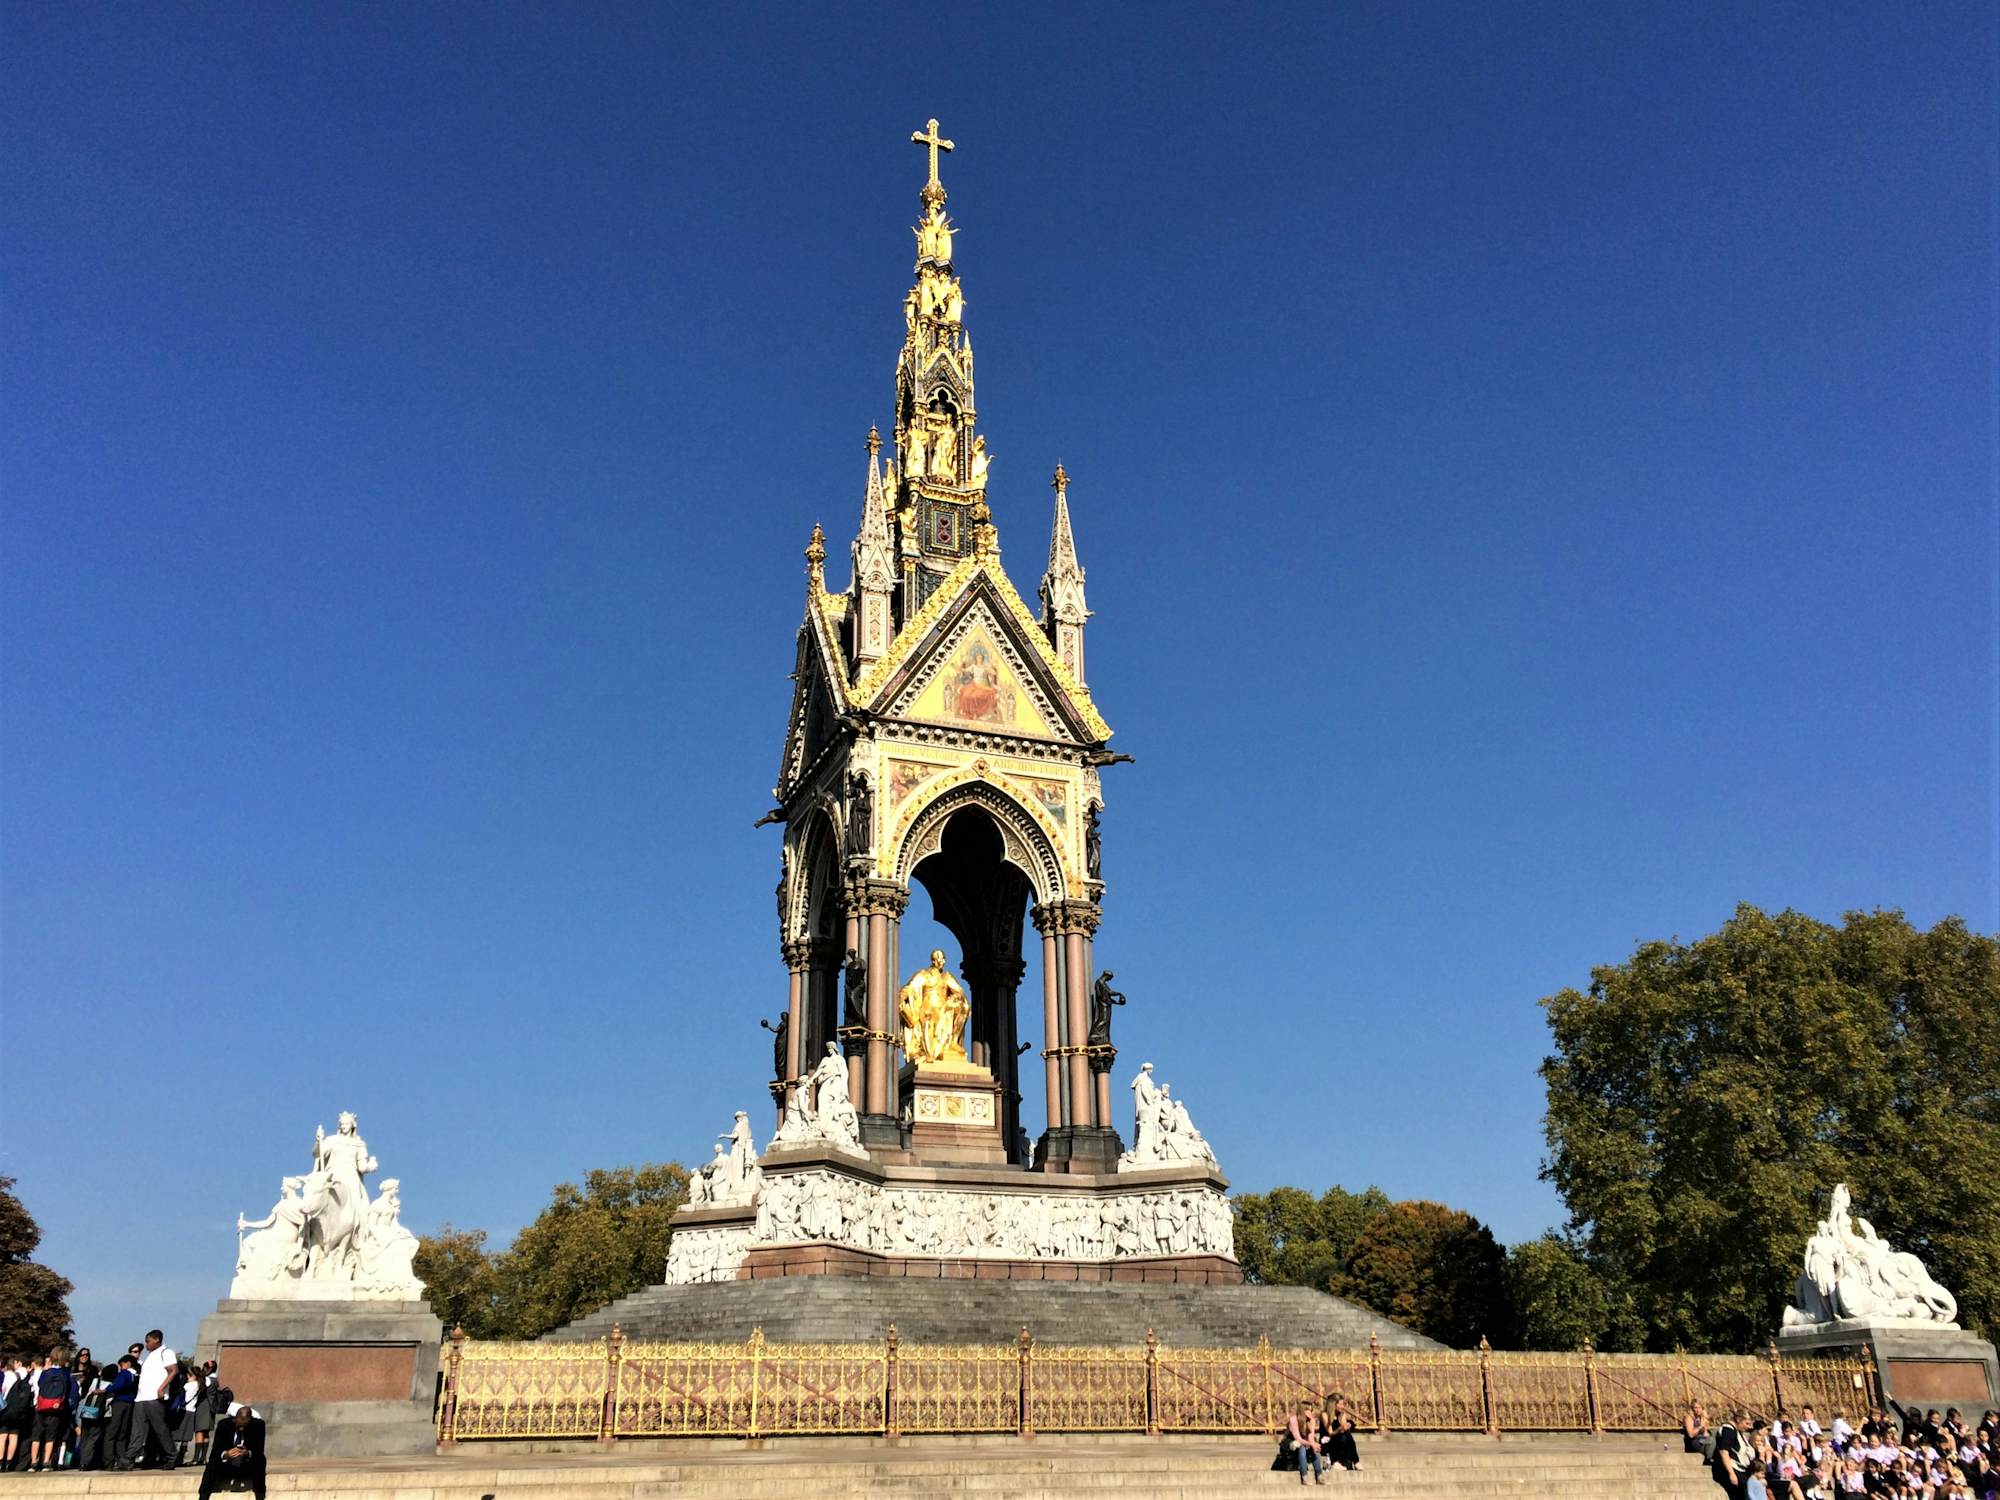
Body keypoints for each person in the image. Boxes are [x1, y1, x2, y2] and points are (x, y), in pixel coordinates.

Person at [121, 1328, 180, 1470]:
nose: (146, 1345)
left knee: (160, 1429)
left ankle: (172, 1456)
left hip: (154, 1398)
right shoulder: (150, 1356)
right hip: (141, 1398)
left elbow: (173, 1370)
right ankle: (128, 1459)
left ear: (156, 1340)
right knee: (137, 1430)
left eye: (148, 1341)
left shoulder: (166, 1352)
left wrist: (161, 1388)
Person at [198, 1397, 266, 1500]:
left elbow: (259, 1449)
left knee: (260, 1460)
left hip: (245, 1463)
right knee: (212, 1463)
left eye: (245, 1425)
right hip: (228, 1463)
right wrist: (226, 1454)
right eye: (240, 1425)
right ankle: (203, 1496)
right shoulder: (224, 1425)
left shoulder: (258, 1426)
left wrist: (247, 1453)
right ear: (235, 1419)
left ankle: (260, 1496)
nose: (242, 1428)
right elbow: (216, 1450)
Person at [30, 1347, 79, 1472]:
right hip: (56, 1408)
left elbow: (40, 1386)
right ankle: (47, 1462)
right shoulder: (66, 1375)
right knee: (50, 1437)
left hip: (41, 1407)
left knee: (36, 1436)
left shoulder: (45, 1373)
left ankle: (34, 1462)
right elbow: (68, 1392)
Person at [74, 1362, 116, 1470]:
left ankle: (81, 1460)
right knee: (93, 1439)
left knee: (84, 1437)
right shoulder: (110, 1386)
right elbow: (109, 1402)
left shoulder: (95, 1381)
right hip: (98, 1415)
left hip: (87, 1411)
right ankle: (85, 1463)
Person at [1320, 1392, 1361, 1471]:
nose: (1343, 1407)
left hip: (1339, 1438)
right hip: (1327, 1440)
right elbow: (1330, 1433)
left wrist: (1346, 1426)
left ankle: (1356, 1461)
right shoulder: (1324, 1414)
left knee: (1346, 1434)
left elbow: (1343, 1429)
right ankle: (1335, 1462)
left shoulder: (1341, 1414)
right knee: (1341, 1435)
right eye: (1341, 1404)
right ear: (1334, 1404)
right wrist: (1340, 1428)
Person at [1286, 1399, 1324, 1485]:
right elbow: (1298, 1439)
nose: (1311, 1412)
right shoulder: (1293, 1419)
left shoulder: (1312, 1421)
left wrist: (1313, 1444)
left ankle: (1319, 1476)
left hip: (1305, 1443)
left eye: (1311, 1410)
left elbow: (1310, 1438)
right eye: (1308, 1410)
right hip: (1292, 1444)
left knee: (1314, 1449)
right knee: (1302, 1447)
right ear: (1302, 1411)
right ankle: (1304, 1477)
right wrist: (1311, 1444)